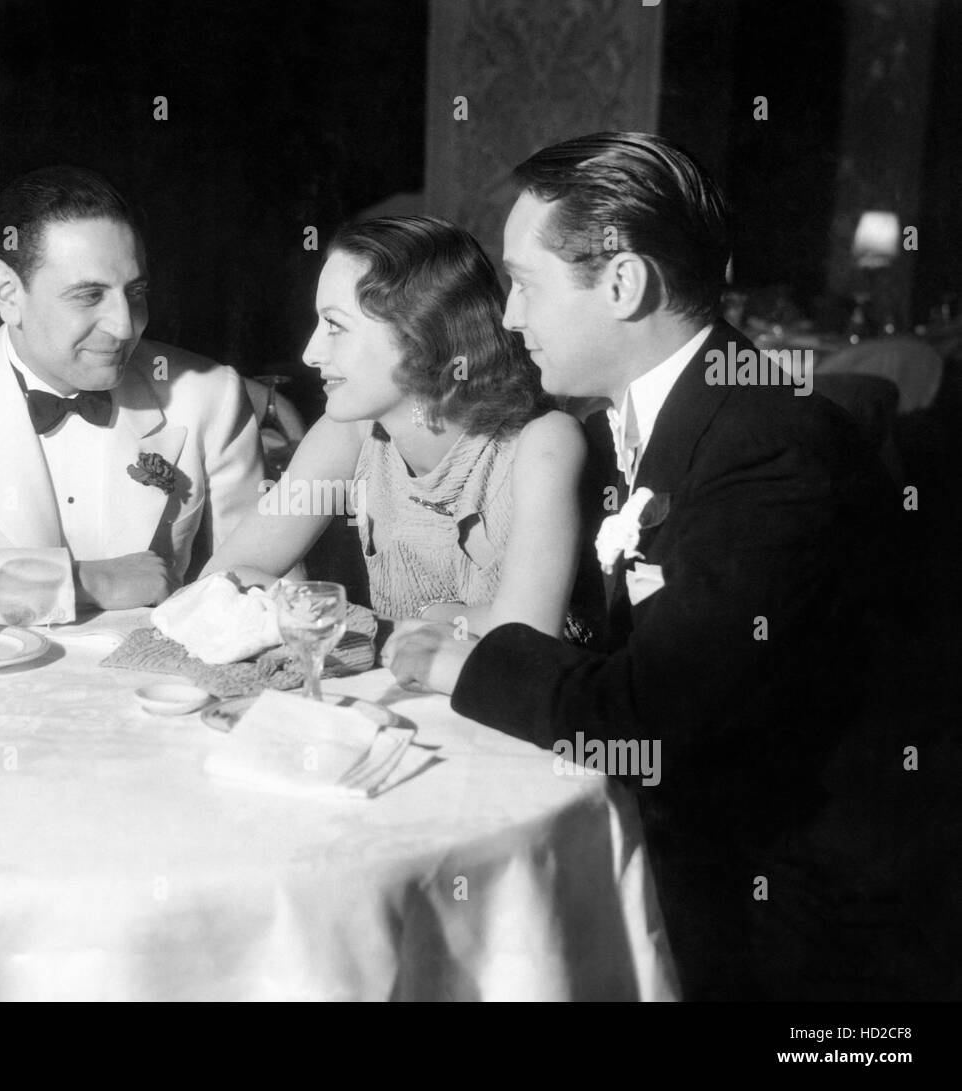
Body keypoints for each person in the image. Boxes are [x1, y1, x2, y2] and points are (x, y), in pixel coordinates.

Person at [383, 132, 901, 1000]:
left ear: (623, 284)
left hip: (786, 918)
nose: (508, 317)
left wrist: (462, 661)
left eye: (526, 283)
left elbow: (652, 718)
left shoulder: (769, 448)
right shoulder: (631, 423)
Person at [0, 166, 264, 634]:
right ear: (7, 293)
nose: (124, 326)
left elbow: (261, 589)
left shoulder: (209, 395)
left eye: (135, 293)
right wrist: (81, 581)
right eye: (89, 295)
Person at [203, 215, 589, 640]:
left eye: (335, 326)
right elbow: (219, 581)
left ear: (420, 335)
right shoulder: (349, 433)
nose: (310, 353)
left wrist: (356, 622)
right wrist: (432, 618)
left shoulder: (544, 443)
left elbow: (525, 638)